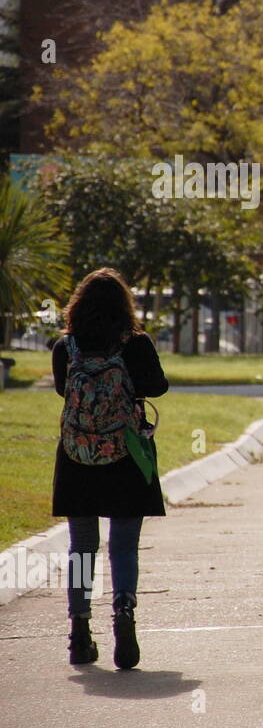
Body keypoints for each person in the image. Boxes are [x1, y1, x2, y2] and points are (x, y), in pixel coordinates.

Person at [52, 268, 169, 669]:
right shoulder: (135, 344)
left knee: (82, 546)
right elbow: (158, 386)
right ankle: (124, 615)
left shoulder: (65, 348)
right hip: (126, 455)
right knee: (123, 544)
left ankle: (80, 633)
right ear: (125, 305)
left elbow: (60, 389)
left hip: (77, 456)